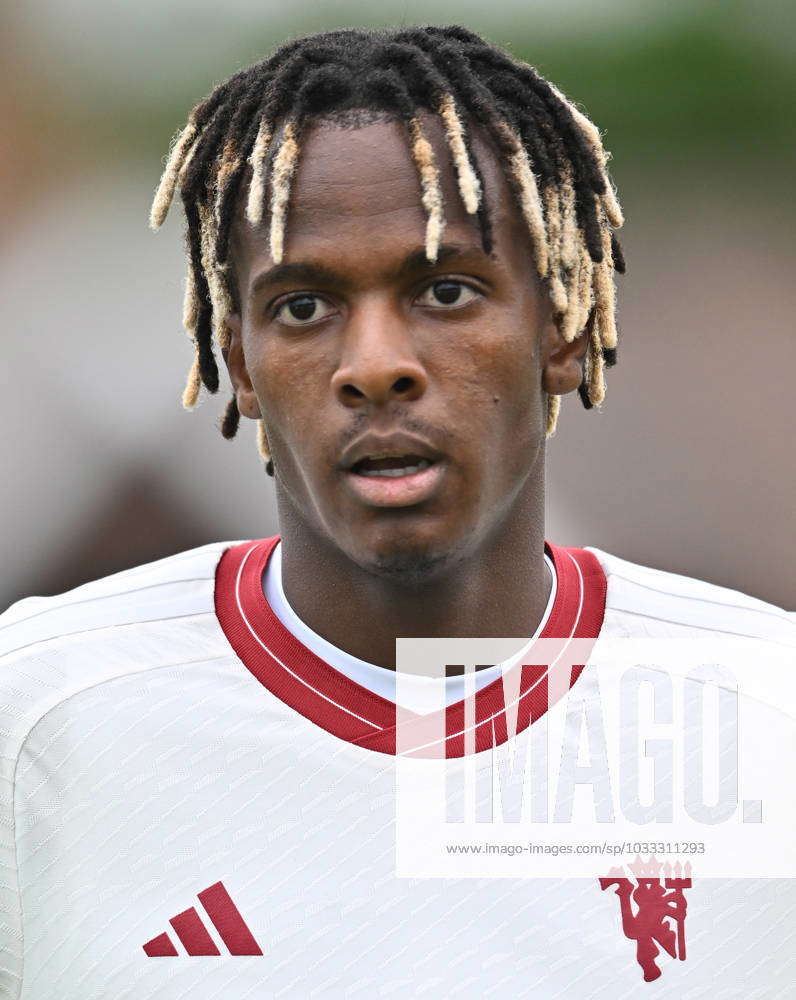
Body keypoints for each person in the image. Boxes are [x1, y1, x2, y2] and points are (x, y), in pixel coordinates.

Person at [0, 25, 792, 999]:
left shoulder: (766, 716)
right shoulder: (40, 717)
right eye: (303, 307)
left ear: (563, 329)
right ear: (239, 362)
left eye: (445, 291)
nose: (375, 365)